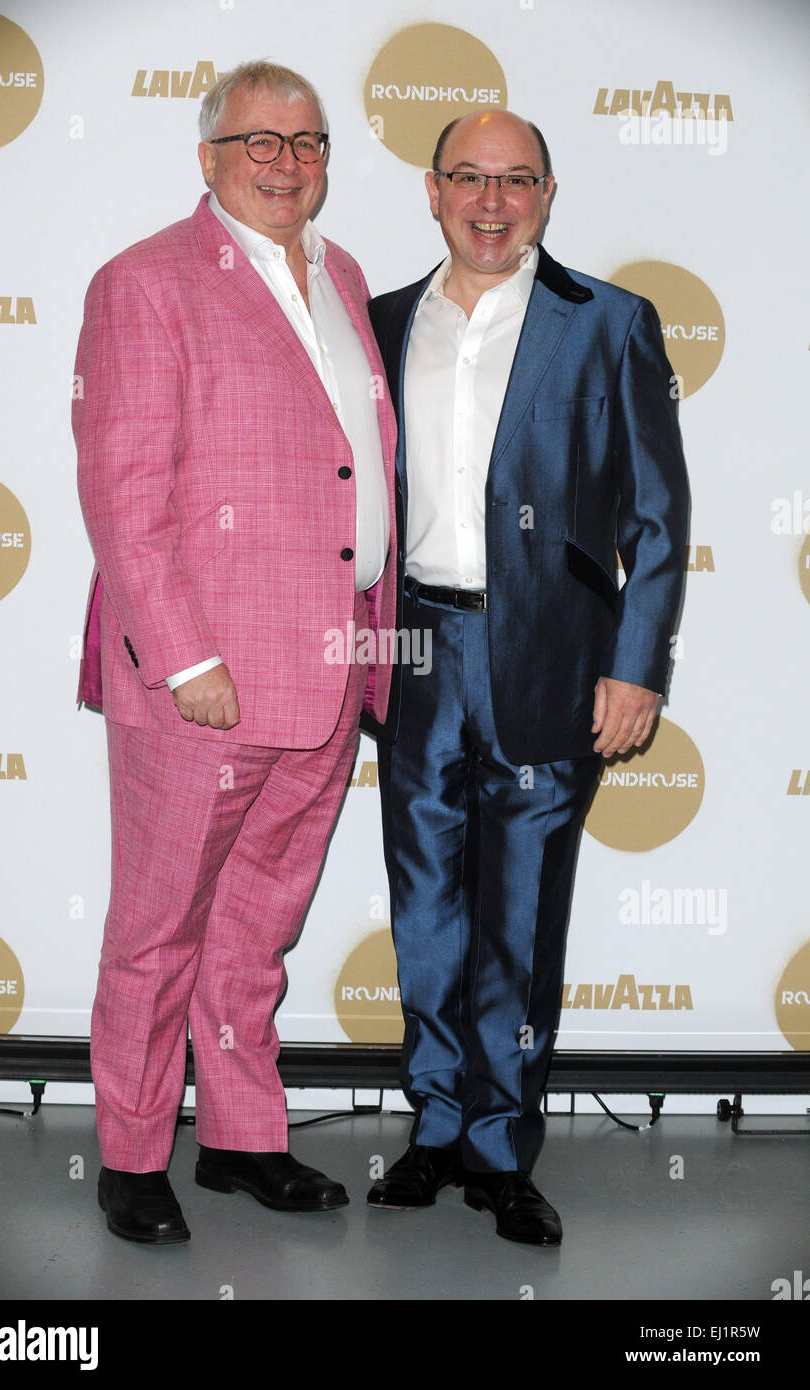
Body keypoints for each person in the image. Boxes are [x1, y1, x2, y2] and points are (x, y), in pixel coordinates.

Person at [73, 61, 396, 1244]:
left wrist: (372, 641)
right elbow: (122, 488)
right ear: (207, 157)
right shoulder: (144, 282)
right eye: (258, 140)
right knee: (159, 928)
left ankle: (244, 1138)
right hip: (201, 677)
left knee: (258, 922)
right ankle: (131, 1152)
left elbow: (353, 466)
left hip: (326, 660)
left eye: (305, 141)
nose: (284, 160)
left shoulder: (342, 273)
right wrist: (181, 654)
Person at [362, 110, 689, 1244]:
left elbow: (655, 514)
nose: (489, 202)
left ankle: (502, 1146)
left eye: (514, 181)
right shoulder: (378, 324)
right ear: (431, 187)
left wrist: (635, 666)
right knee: (425, 911)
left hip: (550, 657)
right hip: (409, 650)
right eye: (468, 177)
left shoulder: (606, 322)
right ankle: (436, 1126)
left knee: (518, 918)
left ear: (547, 193)